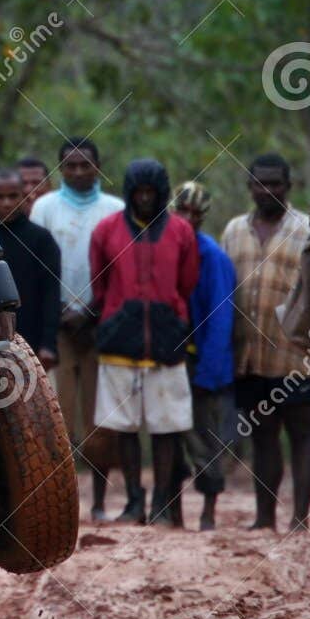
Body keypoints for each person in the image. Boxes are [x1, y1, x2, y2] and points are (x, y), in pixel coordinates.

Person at [89, 159, 199, 526]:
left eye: (152, 192)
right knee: (123, 425)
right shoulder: (105, 231)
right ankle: (134, 502)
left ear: (163, 192)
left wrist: (170, 318)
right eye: (139, 192)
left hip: (166, 343)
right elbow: (99, 286)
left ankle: (162, 506)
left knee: (167, 427)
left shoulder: (181, 231)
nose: (146, 199)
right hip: (120, 342)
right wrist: (120, 315)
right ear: (129, 192)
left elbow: (187, 284)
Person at [220, 154, 310, 532]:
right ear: (250, 187)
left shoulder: (309, 229)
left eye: (275, 183)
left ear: (288, 186)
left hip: (295, 351)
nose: (268, 191)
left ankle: (300, 518)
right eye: (260, 183)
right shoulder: (233, 230)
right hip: (248, 353)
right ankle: (264, 518)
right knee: (263, 435)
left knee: (302, 430)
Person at [30, 138, 124, 521]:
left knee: (102, 418)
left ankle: (101, 501)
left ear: (99, 168)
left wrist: (93, 311)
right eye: (70, 166)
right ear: (60, 169)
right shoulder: (45, 208)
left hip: (102, 326)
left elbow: (122, 270)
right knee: (59, 417)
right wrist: (59, 313)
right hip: (59, 327)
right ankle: (65, 504)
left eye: (86, 165)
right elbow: (39, 267)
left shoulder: (115, 209)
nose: (79, 172)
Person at [172, 181, 237, 531]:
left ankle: (209, 509)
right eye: (182, 210)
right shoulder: (167, 248)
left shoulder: (211, 256)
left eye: (195, 213)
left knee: (206, 438)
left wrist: (209, 374)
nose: (188, 218)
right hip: (171, 358)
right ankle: (172, 509)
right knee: (172, 434)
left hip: (203, 363)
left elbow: (220, 317)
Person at [0, 167, 61, 369]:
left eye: (13, 196)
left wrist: (48, 344)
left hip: (34, 344)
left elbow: (51, 292)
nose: (6, 203)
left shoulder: (41, 239)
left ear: (24, 197)